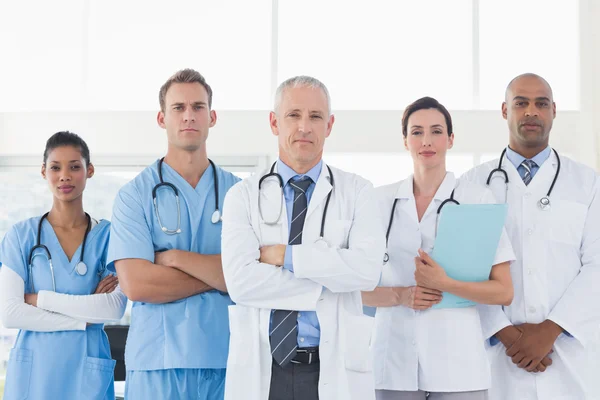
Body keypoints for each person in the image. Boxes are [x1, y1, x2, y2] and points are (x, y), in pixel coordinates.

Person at [221, 76, 384, 400]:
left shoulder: (358, 191)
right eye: (293, 115)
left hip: (332, 368)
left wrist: (286, 257)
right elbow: (241, 284)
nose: (304, 127)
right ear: (274, 122)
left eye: (315, 116)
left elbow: (367, 272)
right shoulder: (242, 196)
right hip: (263, 371)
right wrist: (329, 278)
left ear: (330, 124)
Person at [362, 97, 515, 400]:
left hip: (458, 363)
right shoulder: (378, 203)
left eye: (436, 131)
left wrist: (445, 284)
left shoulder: (477, 199)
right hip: (393, 361)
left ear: (451, 139)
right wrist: (399, 295)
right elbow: (349, 287)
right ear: (405, 141)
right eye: (417, 132)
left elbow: (503, 291)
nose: (427, 140)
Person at [461, 73, 600, 400]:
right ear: (504, 111)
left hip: (569, 354)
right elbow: (464, 272)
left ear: (554, 110)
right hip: (497, 355)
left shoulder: (588, 183)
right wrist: (505, 333)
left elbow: (597, 266)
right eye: (520, 103)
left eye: (541, 103)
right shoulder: (472, 185)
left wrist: (551, 330)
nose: (531, 112)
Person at [107, 69, 240, 399]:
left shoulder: (239, 194)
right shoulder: (134, 195)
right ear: (161, 118)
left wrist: (175, 259)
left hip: (227, 361)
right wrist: (220, 275)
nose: (189, 116)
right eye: (178, 108)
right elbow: (137, 284)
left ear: (212, 117)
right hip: (157, 364)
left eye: (198, 107)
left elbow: (254, 276)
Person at [0, 131, 127, 400]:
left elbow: (112, 308)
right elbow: (11, 313)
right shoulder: (20, 237)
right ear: (44, 171)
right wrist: (84, 317)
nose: (64, 176)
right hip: (34, 373)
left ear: (89, 170)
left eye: (75, 167)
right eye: (56, 167)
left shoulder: (109, 237)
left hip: (87, 370)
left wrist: (37, 299)